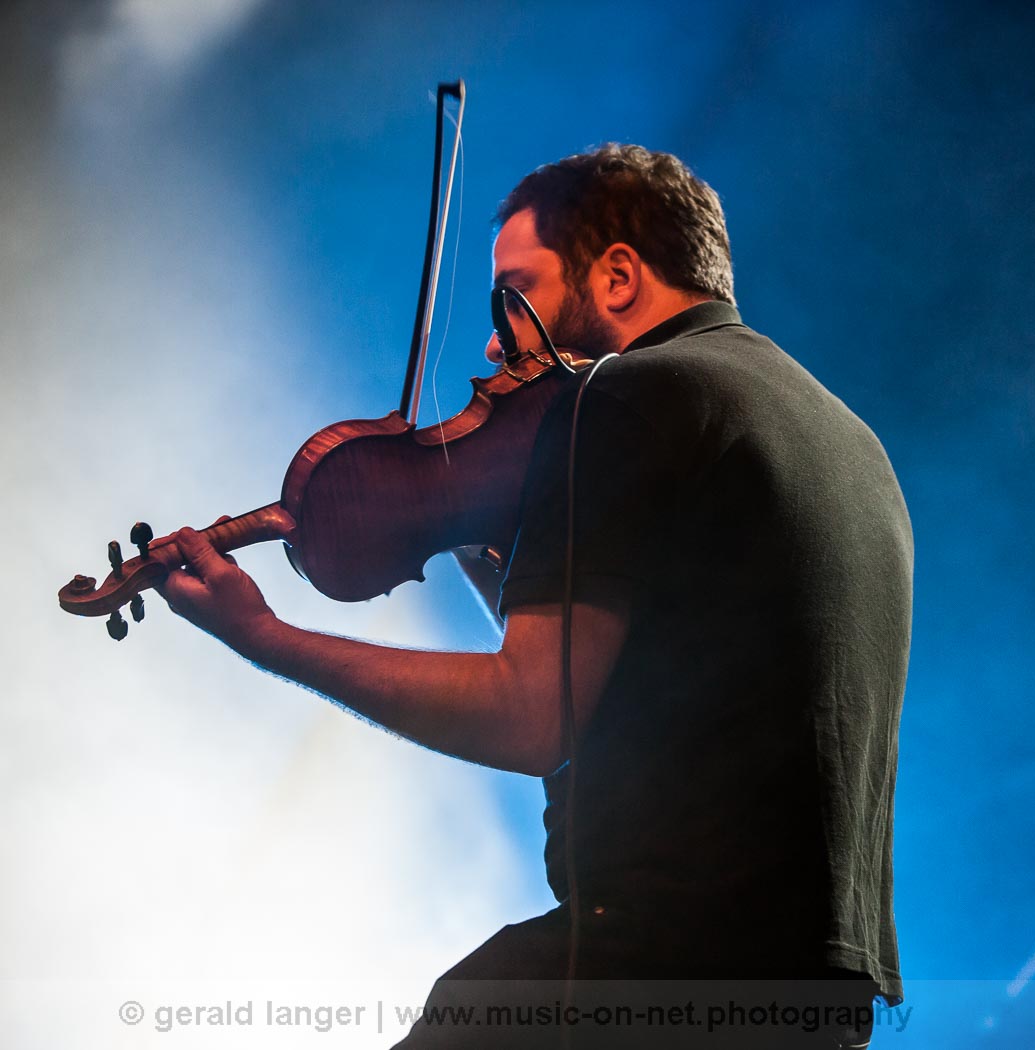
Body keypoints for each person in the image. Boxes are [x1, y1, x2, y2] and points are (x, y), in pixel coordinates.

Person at [159, 145, 912, 1048]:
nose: (492, 341)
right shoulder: (839, 435)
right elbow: (631, 667)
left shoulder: (630, 394)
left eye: (514, 294)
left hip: (655, 971)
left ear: (621, 275)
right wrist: (461, 521)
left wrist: (264, 635)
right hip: (819, 999)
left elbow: (532, 715)